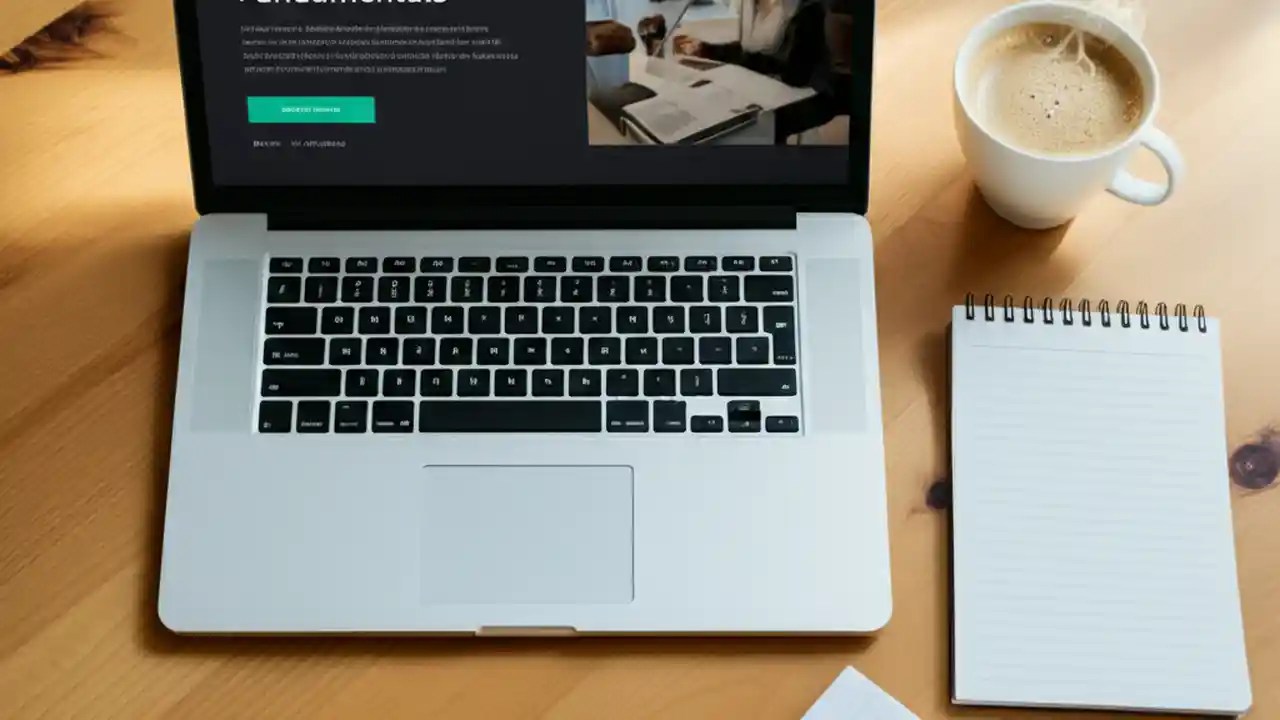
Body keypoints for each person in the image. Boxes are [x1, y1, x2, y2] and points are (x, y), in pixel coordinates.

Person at [673, 0, 854, 144]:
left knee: (753, 124)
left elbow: (793, 72)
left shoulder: (808, 8)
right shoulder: (749, 5)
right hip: (778, 83)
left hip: (814, 91)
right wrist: (708, 50)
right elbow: (756, 55)